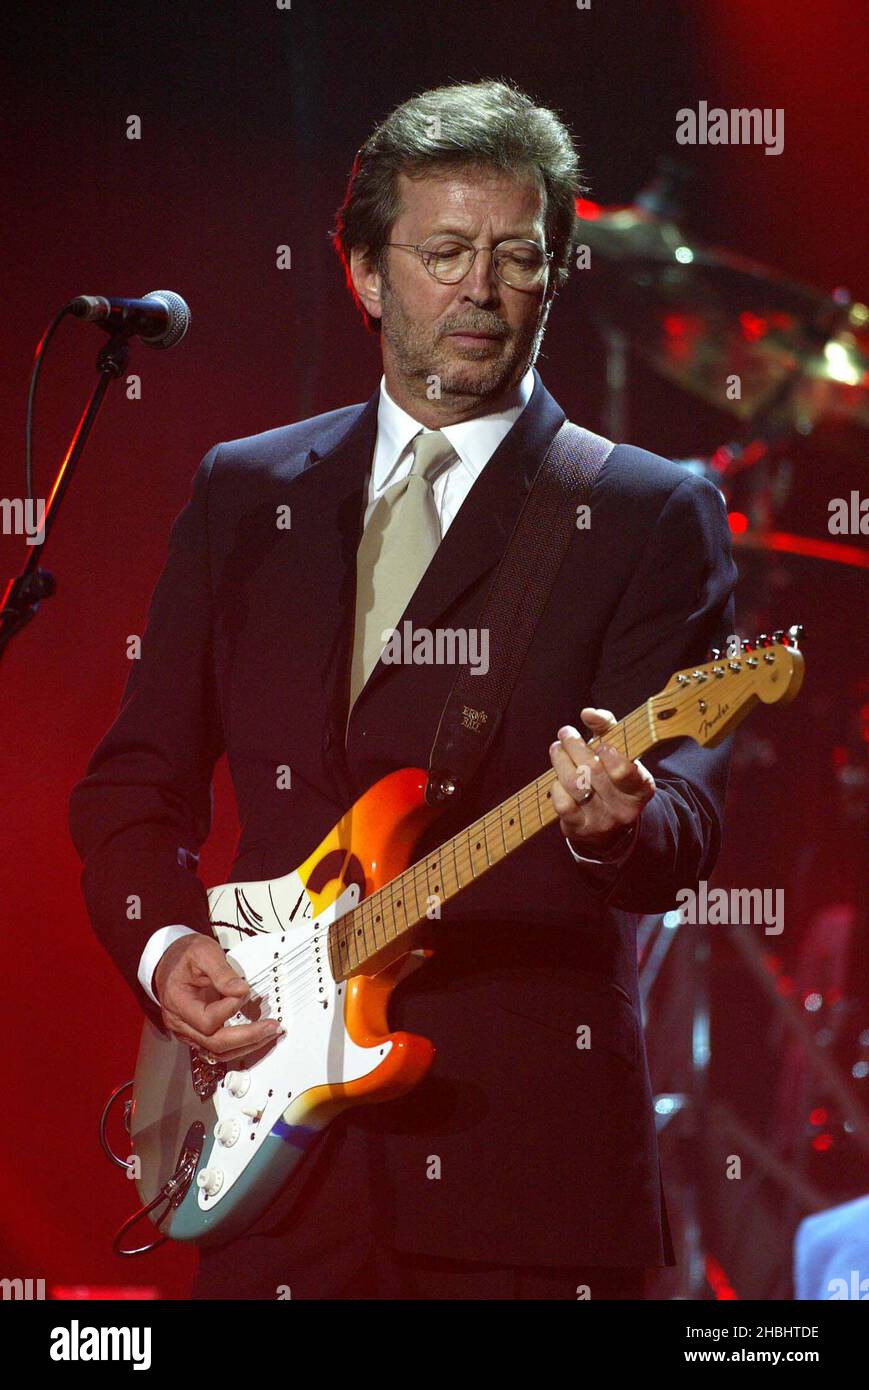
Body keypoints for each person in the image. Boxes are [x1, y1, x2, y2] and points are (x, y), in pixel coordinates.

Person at [69, 78, 737, 1300]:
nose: (480, 290)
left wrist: (621, 824)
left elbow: (688, 816)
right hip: (269, 1180)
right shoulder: (245, 491)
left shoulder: (647, 508)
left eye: (514, 257)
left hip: (518, 1184)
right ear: (366, 274)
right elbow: (133, 781)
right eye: (441, 253)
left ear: (554, 276)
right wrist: (167, 951)